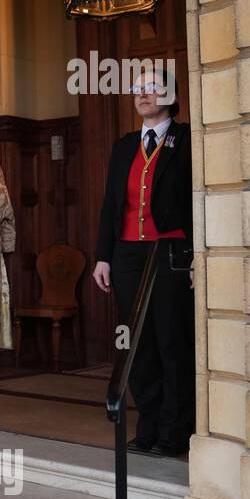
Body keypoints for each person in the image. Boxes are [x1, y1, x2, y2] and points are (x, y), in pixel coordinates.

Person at [91, 67, 195, 458]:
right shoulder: (123, 147)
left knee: (172, 341)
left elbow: (197, 198)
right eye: (138, 89)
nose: (143, 94)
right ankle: (148, 425)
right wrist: (103, 256)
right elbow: (110, 206)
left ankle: (177, 430)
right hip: (128, 255)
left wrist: (200, 256)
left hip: (170, 253)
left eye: (153, 88)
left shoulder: (186, 140)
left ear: (171, 95)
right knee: (137, 343)